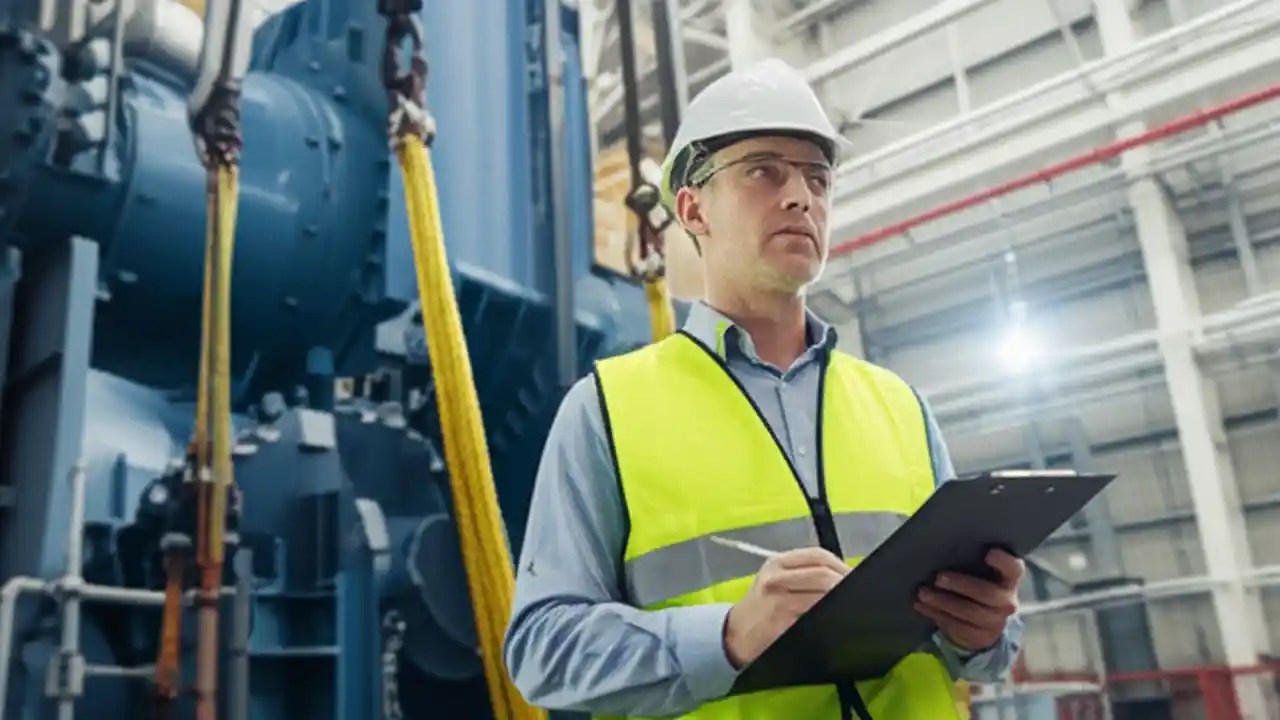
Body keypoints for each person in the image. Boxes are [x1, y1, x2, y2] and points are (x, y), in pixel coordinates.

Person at [503, 58, 1024, 720]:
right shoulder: (607, 410)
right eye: (764, 171)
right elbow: (542, 652)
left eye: (818, 178)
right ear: (693, 208)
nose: (801, 196)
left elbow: (981, 652)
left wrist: (983, 633)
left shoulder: (899, 406)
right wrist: (726, 636)